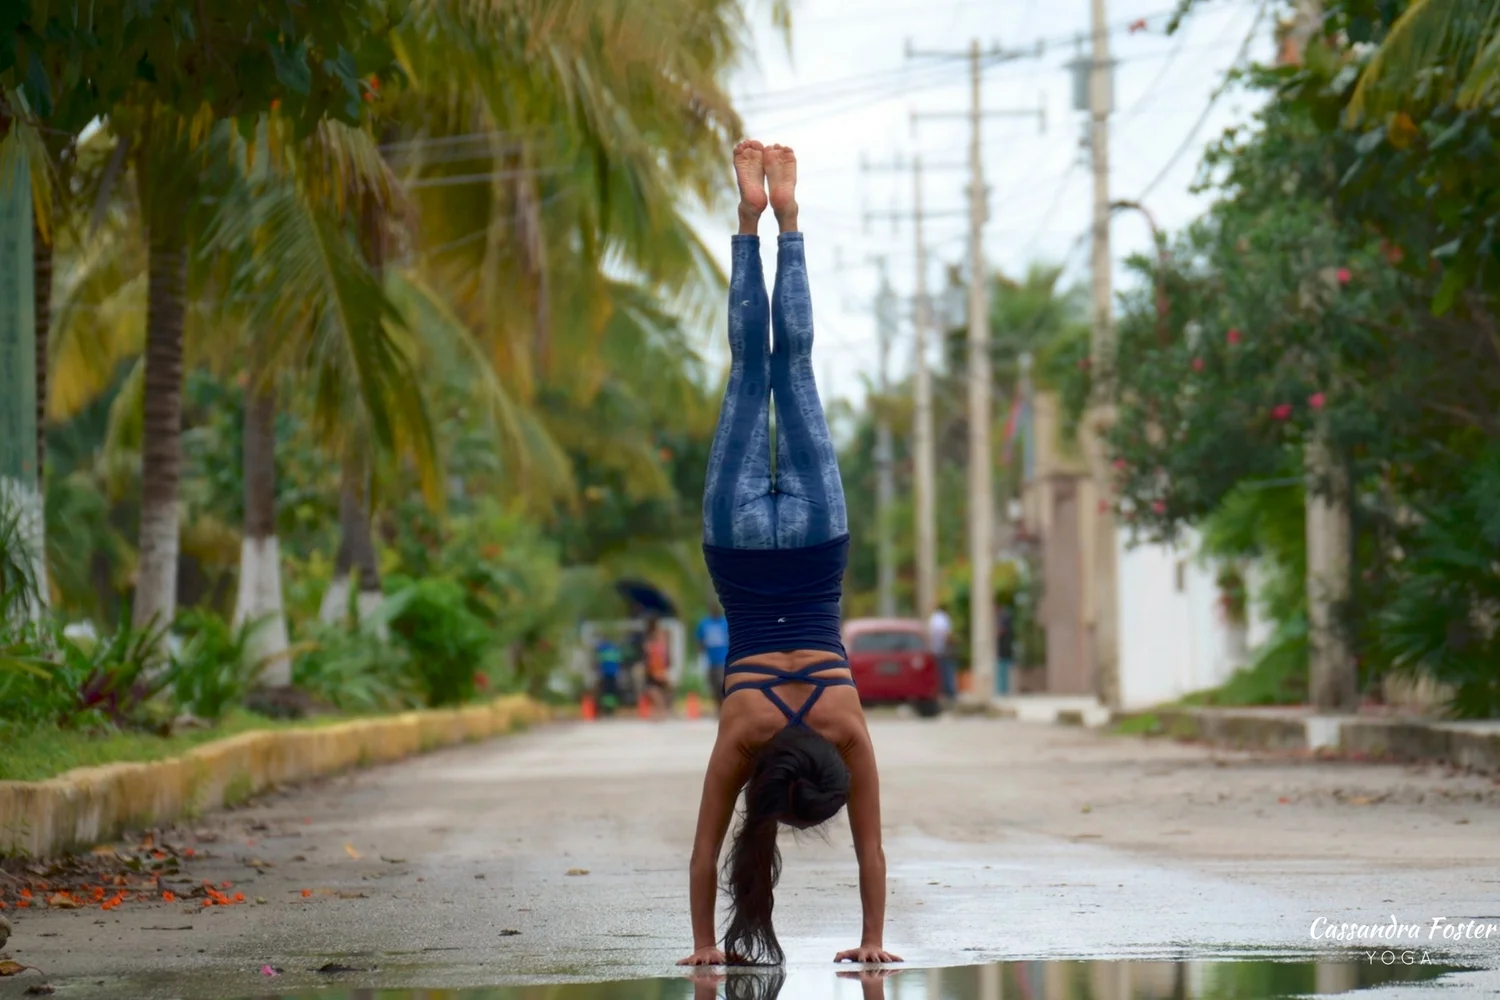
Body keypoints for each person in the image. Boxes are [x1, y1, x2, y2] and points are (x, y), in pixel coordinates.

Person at [678, 140, 899, 969]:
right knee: (750, 370)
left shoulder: (845, 728)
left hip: (818, 548)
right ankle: (747, 219)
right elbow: (705, 855)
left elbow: (871, 854)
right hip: (736, 549)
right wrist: (705, 946)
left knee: (792, 368)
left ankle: (788, 217)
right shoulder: (743, 734)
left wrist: (878, 939)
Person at [695, 601, 731, 706]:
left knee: (722, 684)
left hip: (723, 659)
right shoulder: (704, 624)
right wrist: (700, 652)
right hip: (710, 660)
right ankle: (718, 708)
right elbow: (699, 639)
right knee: (713, 685)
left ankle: (724, 705)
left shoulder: (725, 623)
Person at [642, 616, 672, 718]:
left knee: (653, 688)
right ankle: (660, 710)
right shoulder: (656, 635)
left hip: (656, 665)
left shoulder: (655, 636)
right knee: (656, 688)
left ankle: (661, 709)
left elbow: (654, 651)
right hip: (655, 665)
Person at [928, 604, 955, 700]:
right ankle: (950, 693)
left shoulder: (933, 619)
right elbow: (946, 633)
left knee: (940, 673)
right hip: (944, 650)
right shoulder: (942, 619)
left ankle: (943, 692)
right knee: (947, 672)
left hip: (936, 650)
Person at [594, 636, 623, 715]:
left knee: (606, 692)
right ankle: (610, 709)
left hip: (605, 674)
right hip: (612, 674)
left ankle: (607, 709)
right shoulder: (614, 649)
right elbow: (619, 662)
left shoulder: (601, 649)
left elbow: (598, 662)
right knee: (611, 692)